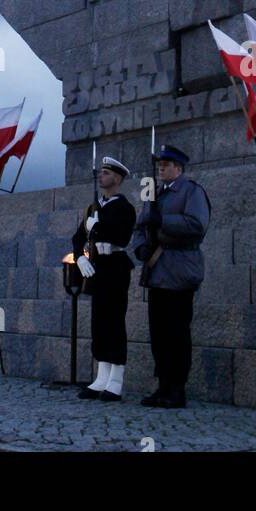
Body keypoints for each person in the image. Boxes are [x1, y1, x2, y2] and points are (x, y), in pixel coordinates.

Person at [132, 144, 210, 409]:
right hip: (156, 272)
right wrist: (140, 246)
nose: (161, 168)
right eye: (160, 164)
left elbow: (197, 225)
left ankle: (177, 388)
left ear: (179, 168)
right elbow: (140, 226)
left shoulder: (191, 191)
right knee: (159, 334)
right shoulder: (153, 193)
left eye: (166, 164)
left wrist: (163, 221)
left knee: (177, 333)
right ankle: (163, 385)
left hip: (179, 271)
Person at [72, 156, 136, 402]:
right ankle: (101, 376)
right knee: (99, 321)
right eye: (101, 173)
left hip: (115, 266)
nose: (102, 176)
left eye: (107, 173)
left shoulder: (124, 208)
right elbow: (78, 238)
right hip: (97, 266)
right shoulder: (94, 208)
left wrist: (97, 228)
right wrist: (80, 258)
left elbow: (122, 237)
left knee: (114, 320)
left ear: (117, 179)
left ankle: (116, 379)